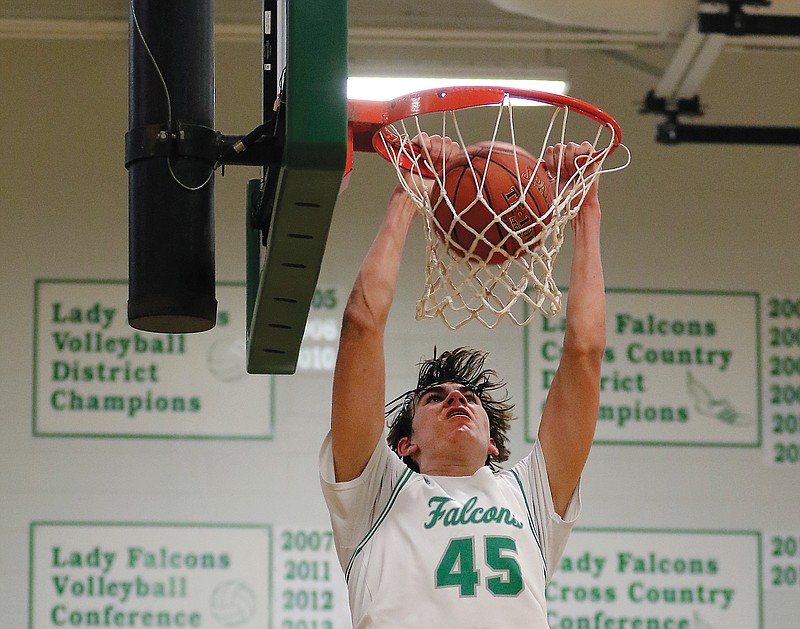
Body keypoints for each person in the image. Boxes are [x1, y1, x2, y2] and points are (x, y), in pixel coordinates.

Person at [319, 135, 606, 628]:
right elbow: (361, 326)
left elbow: (585, 352)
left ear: (495, 444)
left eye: (469, 397)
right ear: (404, 444)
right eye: (435, 398)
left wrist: (586, 212)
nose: (457, 398)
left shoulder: (529, 495)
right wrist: (409, 194)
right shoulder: (375, 491)